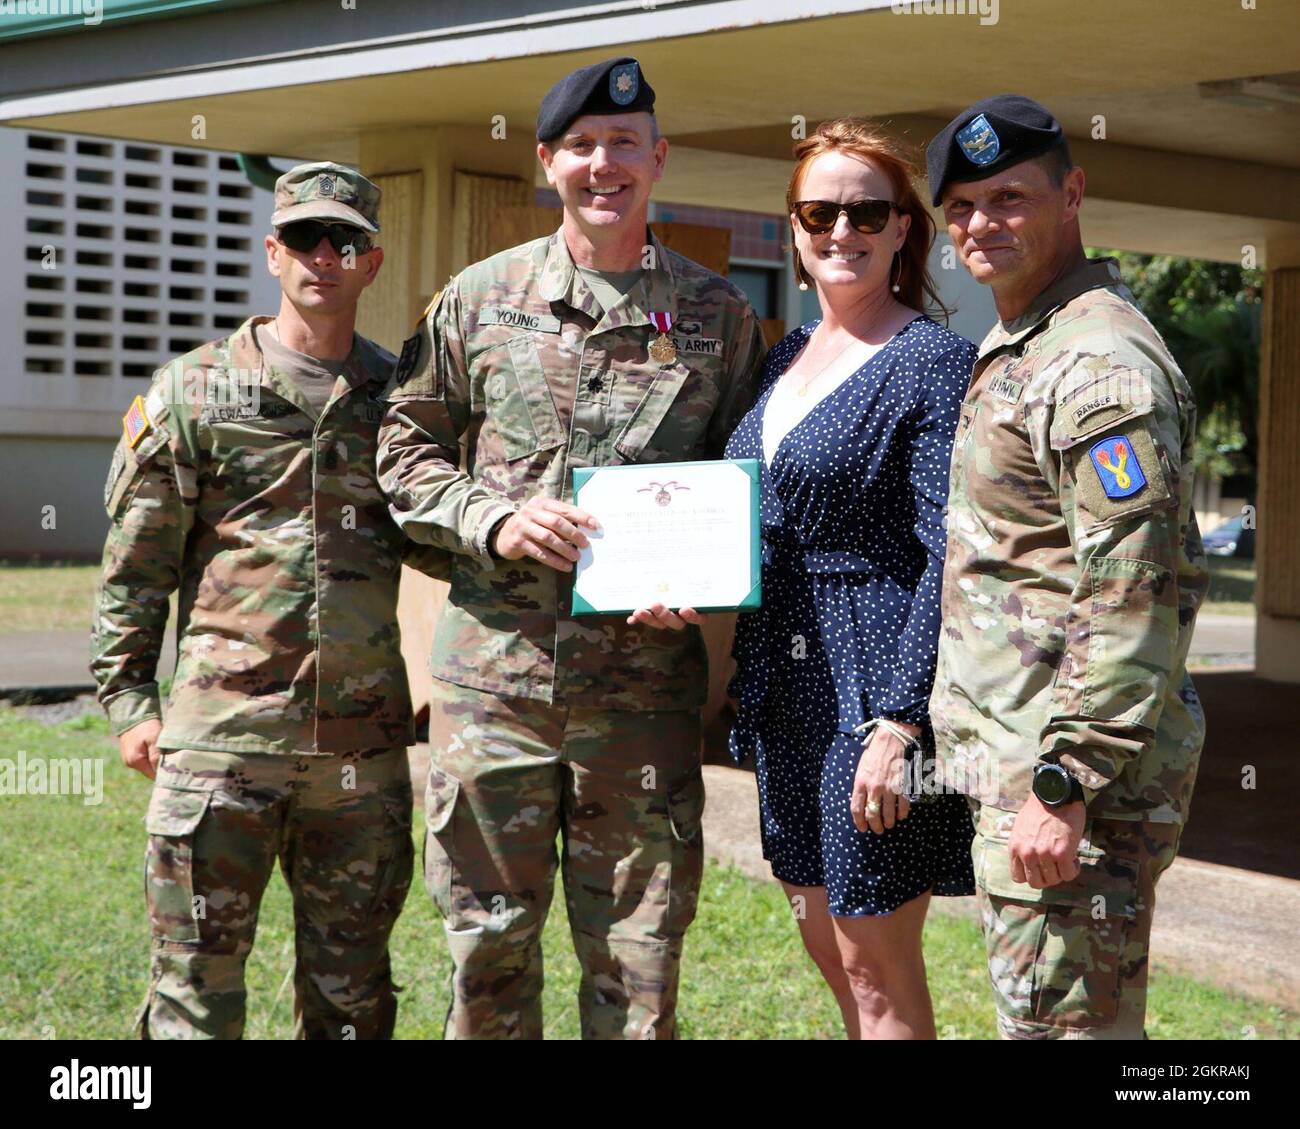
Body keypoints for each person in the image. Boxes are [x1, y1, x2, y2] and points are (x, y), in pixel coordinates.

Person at [378, 56, 766, 1040]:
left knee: (637, 973)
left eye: (625, 144)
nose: (606, 165)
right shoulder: (476, 300)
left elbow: (747, 482)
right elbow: (400, 450)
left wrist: (706, 583)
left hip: (642, 702)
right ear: (547, 161)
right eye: (583, 146)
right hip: (495, 689)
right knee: (487, 955)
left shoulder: (719, 316)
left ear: (658, 158)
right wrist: (490, 518)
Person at [90, 162, 418, 1039]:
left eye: (344, 240)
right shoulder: (193, 391)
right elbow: (137, 566)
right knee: (195, 996)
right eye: (305, 238)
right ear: (273, 253)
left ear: (371, 262)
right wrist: (129, 703)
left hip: (358, 759)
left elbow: (453, 535)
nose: (324, 255)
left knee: (353, 1001)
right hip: (217, 752)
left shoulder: (402, 402)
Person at [925, 95, 1209, 1039]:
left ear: (1072, 194)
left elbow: (1133, 588)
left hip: (1067, 782)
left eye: (1008, 198)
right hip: (1026, 765)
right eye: (960, 207)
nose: (980, 224)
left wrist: (1065, 780)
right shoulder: (1027, 342)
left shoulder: (1095, 361)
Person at [725, 119, 977, 1039]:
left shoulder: (932, 362)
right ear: (792, 227)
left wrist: (903, 720)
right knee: (827, 946)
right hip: (786, 685)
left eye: (868, 210)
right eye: (819, 211)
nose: (843, 230)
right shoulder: (786, 355)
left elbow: (949, 551)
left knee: (875, 961)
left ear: (905, 228)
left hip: (873, 692)